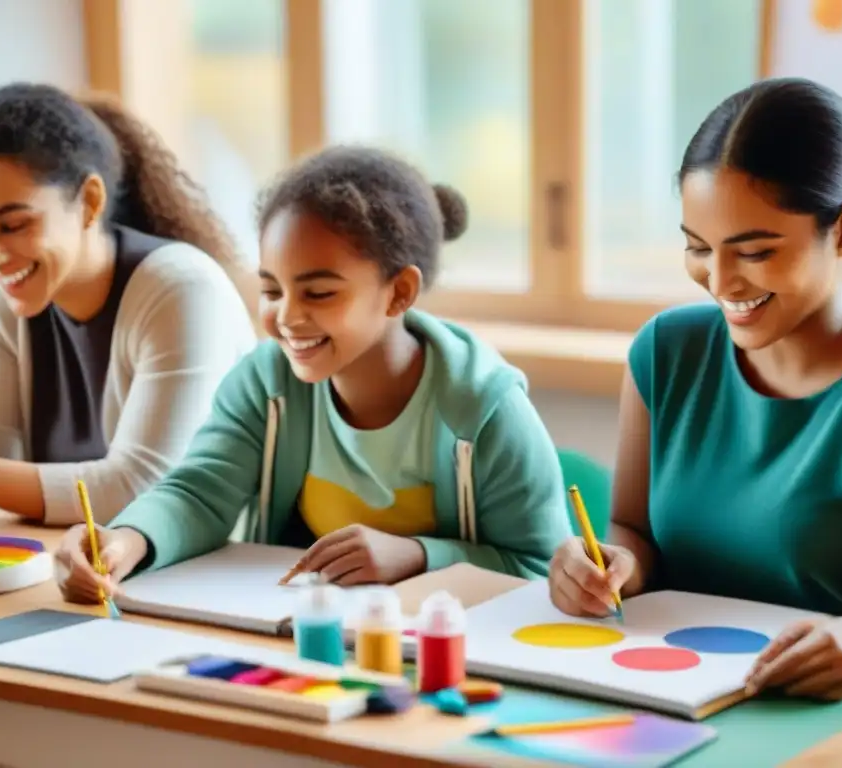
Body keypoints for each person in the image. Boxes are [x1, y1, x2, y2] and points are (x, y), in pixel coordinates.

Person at [549, 78, 842, 701]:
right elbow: (634, 532)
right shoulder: (664, 352)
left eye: (755, 252)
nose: (719, 281)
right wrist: (611, 565)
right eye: (697, 248)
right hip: (681, 701)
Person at [55, 144, 573, 600]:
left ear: (399, 293)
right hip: (305, 634)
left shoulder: (484, 406)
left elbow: (537, 567)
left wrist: (418, 555)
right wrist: (125, 540)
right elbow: (197, 494)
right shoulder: (264, 383)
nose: (286, 317)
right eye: (272, 290)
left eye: (319, 293)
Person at [0, 82, 257, 525]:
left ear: (89, 202)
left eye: (13, 225)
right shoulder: (3, 301)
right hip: (84, 572)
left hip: (208, 578)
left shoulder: (181, 289)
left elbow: (142, 490)